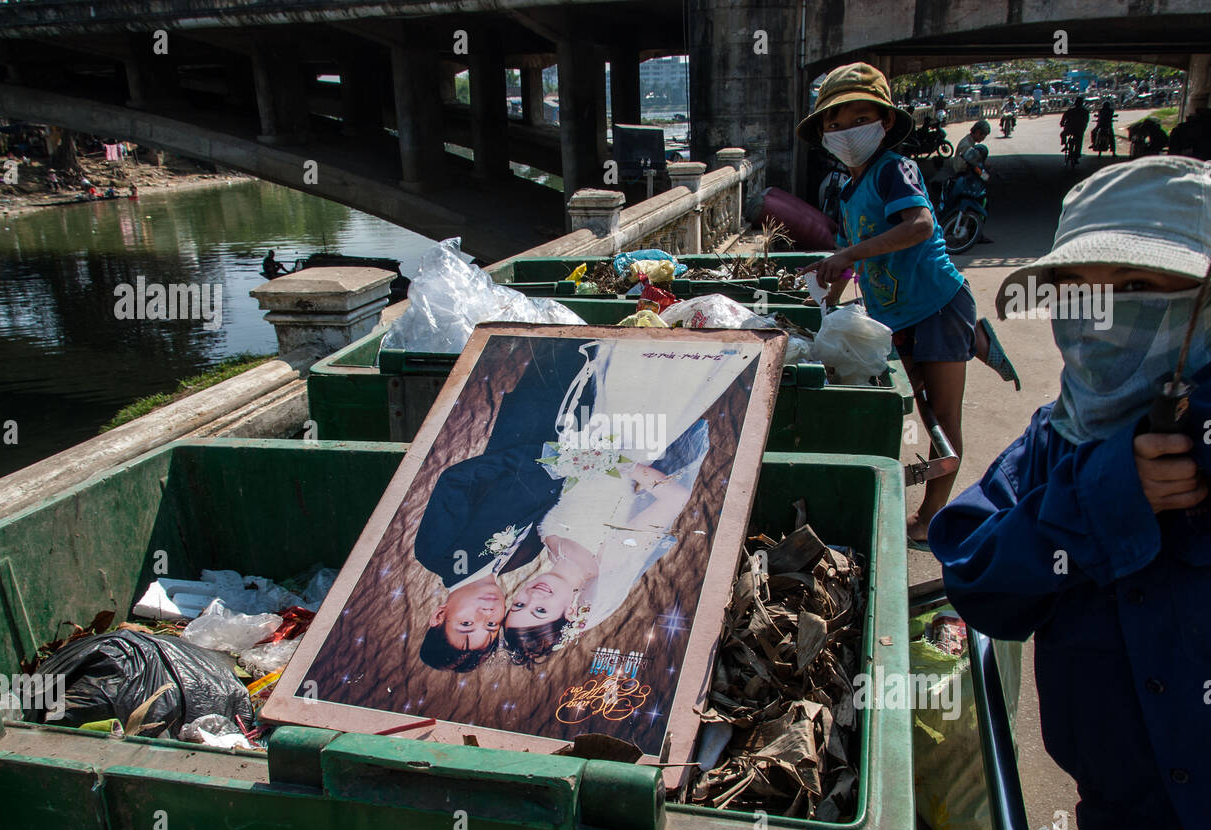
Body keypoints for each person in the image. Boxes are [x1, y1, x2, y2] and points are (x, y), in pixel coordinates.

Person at [929, 156, 1211, 830]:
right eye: (1077, 293)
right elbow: (976, 576)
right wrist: (1101, 496)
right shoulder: (1056, 441)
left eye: (1137, 287)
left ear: (1206, 301)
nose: (1102, 314)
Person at [795, 62, 1015, 548]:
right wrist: (826, 303)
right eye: (835, 123)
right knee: (917, 405)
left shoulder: (896, 170)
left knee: (942, 418)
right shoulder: (849, 191)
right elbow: (851, 260)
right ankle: (976, 338)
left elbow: (918, 226)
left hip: (937, 306)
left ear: (884, 122)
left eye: (858, 118)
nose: (846, 131)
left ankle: (932, 518)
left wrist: (848, 253)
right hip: (895, 318)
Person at [501, 338, 760, 663]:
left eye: (519, 605)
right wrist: (622, 463)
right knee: (671, 357)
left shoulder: (543, 539)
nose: (532, 597)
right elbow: (674, 498)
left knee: (629, 349)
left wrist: (573, 456)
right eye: (540, 611)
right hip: (640, 431)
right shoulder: (608, 558)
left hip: (597, 421)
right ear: (569, 611)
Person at [415, 338, 589, 671]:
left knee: (574, 338)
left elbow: (458, 480)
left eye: (466, 624)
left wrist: (547, 458)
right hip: (582, 431)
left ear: (440, 615)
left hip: (537, 415)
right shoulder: (520, 562)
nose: (487, 614)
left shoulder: (437, 553)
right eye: (492, 626)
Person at [1060, 96, 1089, 160]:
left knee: (1063, 134)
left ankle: (1065, 145)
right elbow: (1086, 120)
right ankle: (1077, 153)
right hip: (1079, 129)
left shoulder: (1071, 110)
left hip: (1069, 128)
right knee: (1079, 140)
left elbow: (1064, 118)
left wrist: (1062, 123)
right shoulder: (1085, 111)